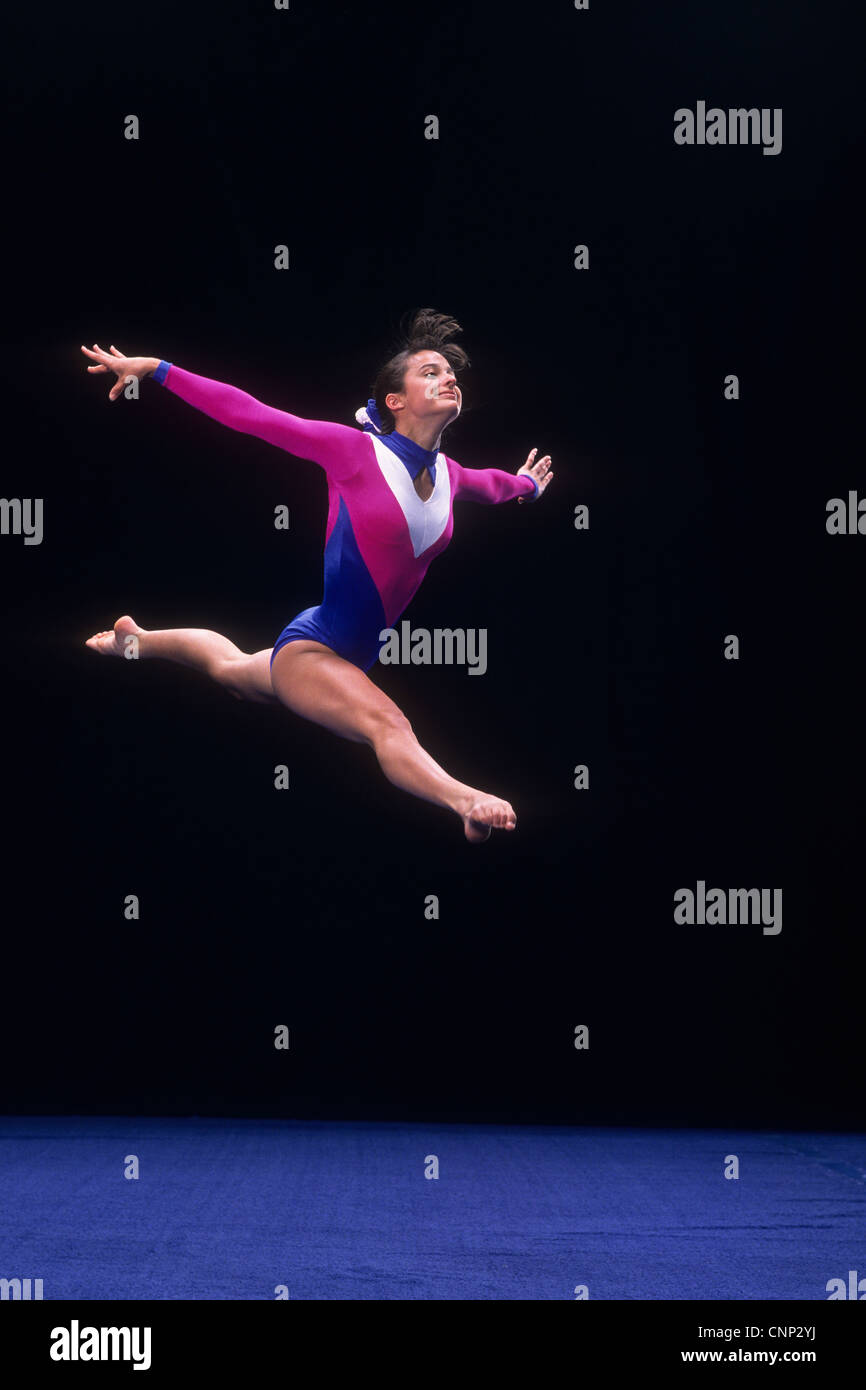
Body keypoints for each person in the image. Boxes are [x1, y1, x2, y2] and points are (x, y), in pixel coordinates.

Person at [82, 310, 553, 841]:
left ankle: (137, 642)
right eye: (430, 371)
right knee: (388, 725)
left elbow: (494, 486)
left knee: (231, 670)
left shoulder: (450, 474)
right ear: (394, 401)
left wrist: (526, 486)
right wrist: (158, 369)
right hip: (317, 651)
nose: (449, 378)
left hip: (339, 651)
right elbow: (251, 414)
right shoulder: (353, 452)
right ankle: (464, 800)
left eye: (450, 372)